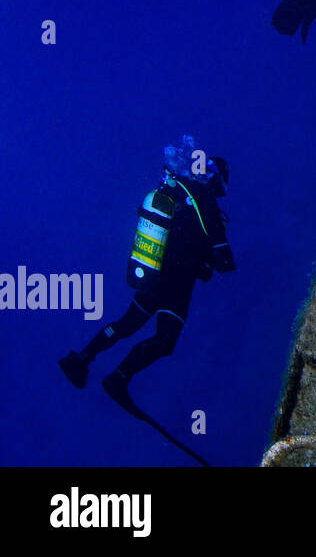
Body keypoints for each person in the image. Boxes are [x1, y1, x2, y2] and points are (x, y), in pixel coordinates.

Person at [58, 137, 234, 414]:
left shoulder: (178, 192)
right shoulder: (204, 200)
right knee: (165, 340)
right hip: (176, 283)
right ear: (216, 181)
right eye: (221, 187)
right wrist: (216, 256)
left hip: (154, 274)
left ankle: (81, 359)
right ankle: (118, 379)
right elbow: (224, 260)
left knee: (126, 325)